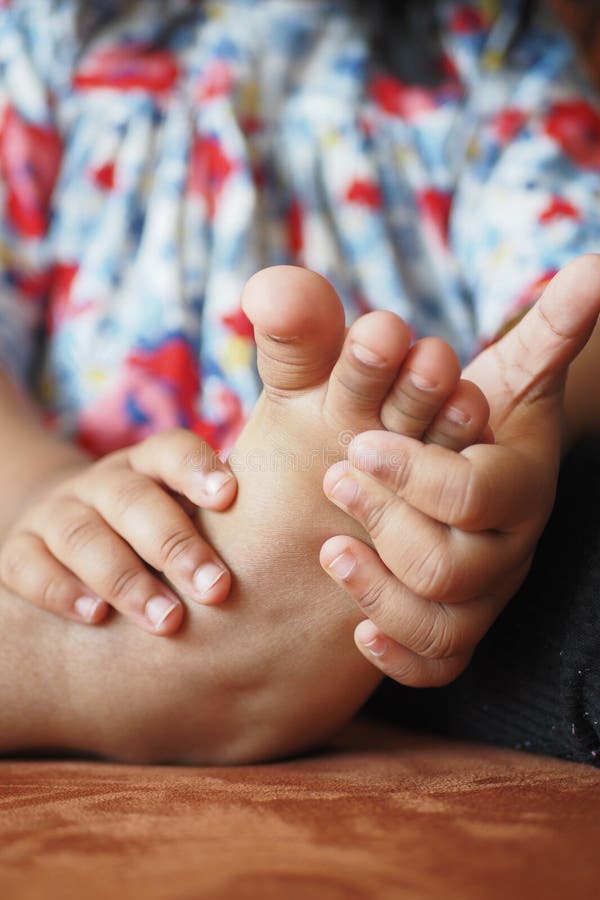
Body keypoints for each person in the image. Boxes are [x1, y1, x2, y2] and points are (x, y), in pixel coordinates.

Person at [0, 0, 599, 764]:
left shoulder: (494, 45)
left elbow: (571, 297)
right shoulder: (40, 31)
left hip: (402, 546)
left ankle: (209, 642)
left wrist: (515, 420)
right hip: (97, 538)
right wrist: (39, 487)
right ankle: (90, 660)